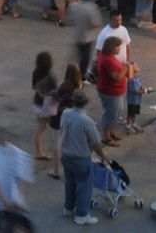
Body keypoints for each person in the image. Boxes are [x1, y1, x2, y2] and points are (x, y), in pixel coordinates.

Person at [59, 91, 106, 226]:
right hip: (81, 158)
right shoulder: (87, 122)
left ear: (73, 101)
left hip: (66, 155)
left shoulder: (65, 113)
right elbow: (95, 143)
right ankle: (82, 214)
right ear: (86, 103)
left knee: (70, 182)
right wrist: (103, 155)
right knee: (84, 186)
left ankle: (68, 208)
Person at [0, 127, 32, 232]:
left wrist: (19, 198)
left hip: (10, 202)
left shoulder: (16, 152)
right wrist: (4, 200)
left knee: (12, 227)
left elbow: (22, 177)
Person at [95, 37, 129, 145]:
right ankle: (106, 136)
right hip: (110, 92)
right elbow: (117, 77)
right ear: (111, 48)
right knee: (110, 114)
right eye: (117, 47)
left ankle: (111, 131)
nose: (119, 49)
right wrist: (126, 68)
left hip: (115, 91)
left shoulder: (107, 56)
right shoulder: (108, 60)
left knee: (116, 112)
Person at [31, 52, 58, 160]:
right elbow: (55, 91)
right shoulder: (50, 76)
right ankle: (42, 152)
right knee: (52, 127)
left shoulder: (35, 72)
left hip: (37, 102)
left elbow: (34, 86)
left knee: (41, 129)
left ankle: (39, 151)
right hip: (48, 104)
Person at [125, 62, 148, 134]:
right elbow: (136, 91)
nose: (137, 67)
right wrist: (145, 91)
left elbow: (140, 86)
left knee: (134, 113)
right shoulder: (131, 80)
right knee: (130, 114)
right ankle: (128, 125)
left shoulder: (137, 78)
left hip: (137, 100)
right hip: (132, 101)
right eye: (135, 67)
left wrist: (143, 89)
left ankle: (133, 124)